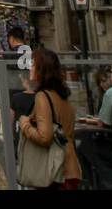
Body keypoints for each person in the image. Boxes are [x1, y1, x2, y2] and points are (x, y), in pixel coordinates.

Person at [17, 47, 81, 190]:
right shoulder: (61, 96)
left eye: (33, 64)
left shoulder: (43, 97)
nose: (30, 68)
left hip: (53, 171)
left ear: (42, 69)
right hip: (69, 168)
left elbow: (45, 137)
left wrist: (25, 124)